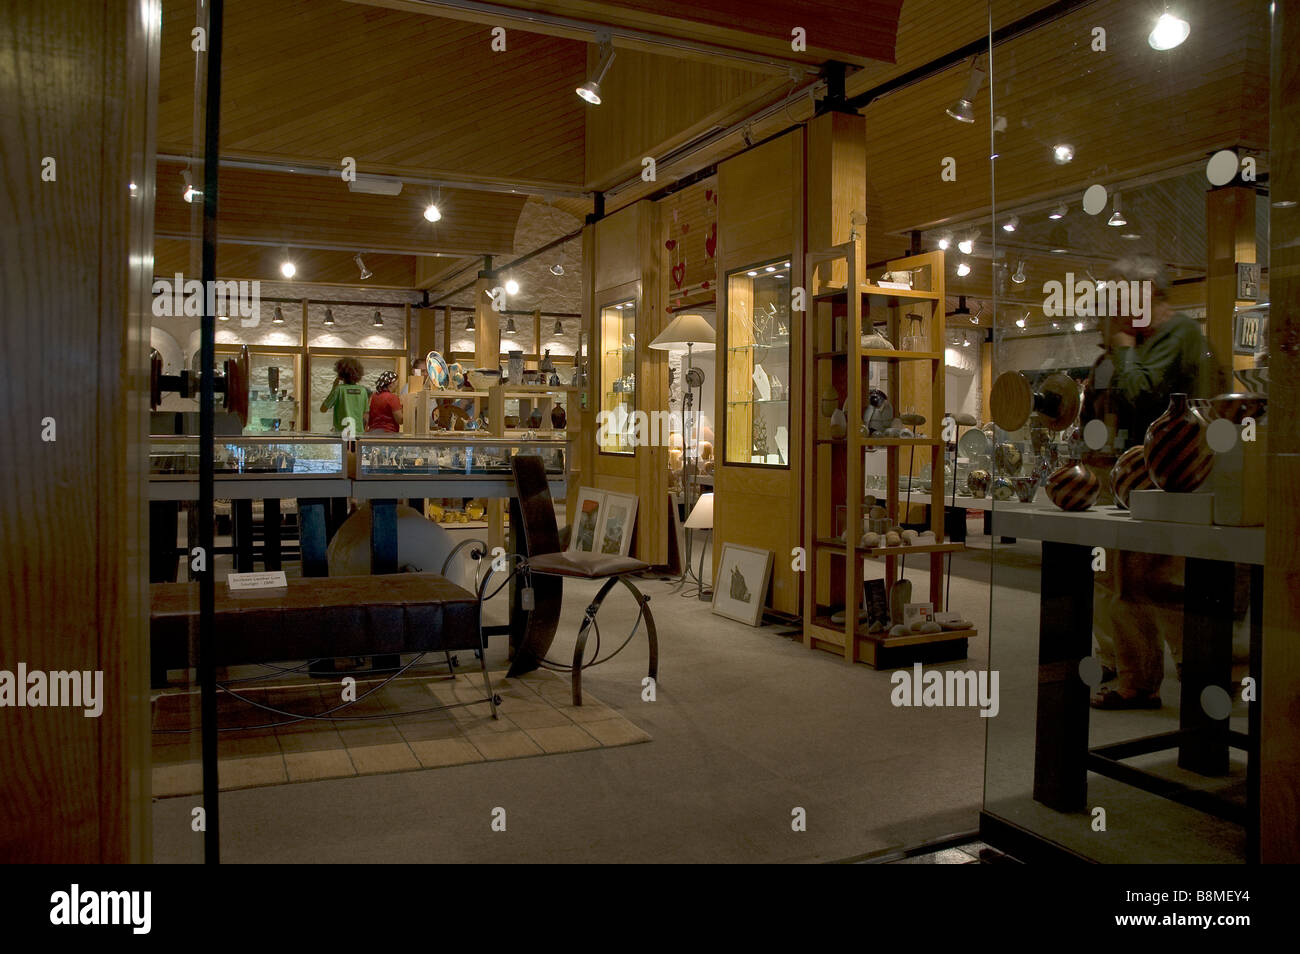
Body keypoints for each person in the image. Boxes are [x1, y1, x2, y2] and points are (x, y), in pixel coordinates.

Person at [1084, 256, 1219, 709]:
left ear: (1148, 293)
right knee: (1129, 583)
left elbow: (1142, 392)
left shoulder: (1176, 335)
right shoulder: (1143, 340)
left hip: (1175, 479)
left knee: (1166, 583)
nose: (1116, 308)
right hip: (1143, 476)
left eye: (1122, 295)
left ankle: (1196, 677)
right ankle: (1140, 681)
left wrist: (1122, 345)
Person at [319, 357, 369, 434]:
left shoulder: (339, 390)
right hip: (358, 432)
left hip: (342, 433)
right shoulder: (363, 391)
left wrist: (333, 388)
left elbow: (323, 409)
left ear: (341, 373)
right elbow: (365, 415)